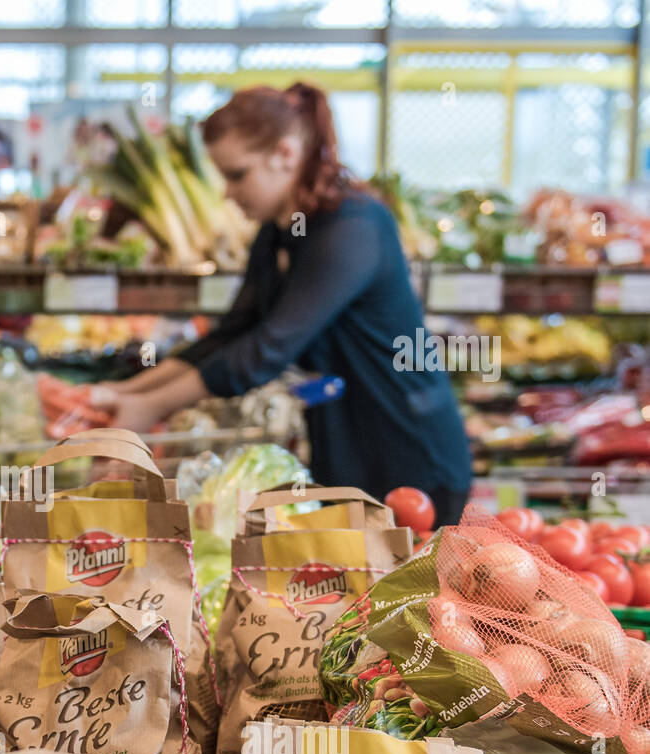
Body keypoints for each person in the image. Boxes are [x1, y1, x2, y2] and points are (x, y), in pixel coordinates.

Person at [94, 83, 472, 526]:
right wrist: (126, 393)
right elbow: (233, 334)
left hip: (408, 453)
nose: (228, 194)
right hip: (346, 445)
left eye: (237, 175)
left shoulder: (353, 228)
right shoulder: (282, 231)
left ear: (286, 154)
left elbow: (266, 351)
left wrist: (153, 408)